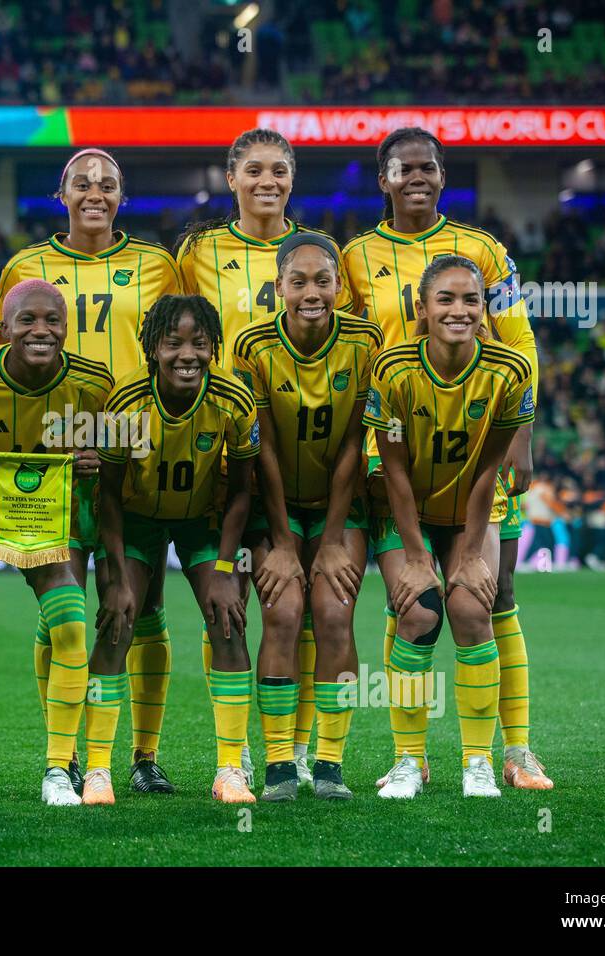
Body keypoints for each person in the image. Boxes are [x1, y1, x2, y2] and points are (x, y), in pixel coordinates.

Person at [339, 127, 551, 791]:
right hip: (395, 447)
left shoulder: (483, 250)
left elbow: (519, 339)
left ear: (442, 175)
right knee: (412, 600)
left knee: (493, 596)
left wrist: (519, 435)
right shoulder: (356, 256)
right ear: (384, 179)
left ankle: (513, 751)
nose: (418, 178)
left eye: (429, 167)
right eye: (405, 169)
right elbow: (351, 353)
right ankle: (413, 754)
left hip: (478, 441)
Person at [0, 148, 185, 794]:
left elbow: (181, 346)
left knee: (141, 610)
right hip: (51, 458)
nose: (95, 192)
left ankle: (143, 756)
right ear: (60, 195)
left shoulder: (158, 265)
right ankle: (64, 756)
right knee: (60, 613)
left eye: (108, 184)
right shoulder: (25, 266)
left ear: (122, 197)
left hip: (130, 451)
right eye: (82, 183)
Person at [176, 127, 341, 788]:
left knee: (293, 603)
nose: (267, 181)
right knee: (231, 604)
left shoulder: (323, 253)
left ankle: (294, 748)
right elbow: (179, 335)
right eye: (254, 170)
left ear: (292, 179)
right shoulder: (197, 252)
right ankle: (234, 752)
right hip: (219, 453)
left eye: (279, 170)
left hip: (299, 455)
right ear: (232, 177)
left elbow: (336, 343)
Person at [363, 255, 535, 799]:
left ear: (484, 310)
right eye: (446, 299)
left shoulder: (509, 371)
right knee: (415, 612)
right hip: (406, 504)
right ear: (422, 309)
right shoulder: (392, 370)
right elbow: (392, 470)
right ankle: (409, 761)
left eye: (471, 300)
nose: (459, 310)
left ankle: (478, 762)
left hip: (470, 506)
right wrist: (416, 555)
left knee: (470, 607)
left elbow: (489, 469)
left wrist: (467, 555)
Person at [0, 279, 113, 807]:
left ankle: (59, 768)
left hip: (49, 528)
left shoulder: (94, 382)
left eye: (52, 321)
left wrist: (99, 461)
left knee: (71, 627)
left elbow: (126, 452)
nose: (41, 331)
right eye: (27, 321)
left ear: (66, 327)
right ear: (5, 329)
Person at [91, 294, 259, 805]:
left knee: (227, 620)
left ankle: (230, 768)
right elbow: (108, 494)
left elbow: (243, 490)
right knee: (117, 622)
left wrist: (227, 568)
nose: (187, 354)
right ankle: (98, 769)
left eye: (200, 344)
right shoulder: (124, 402)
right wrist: (117, 576)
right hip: (138, 519)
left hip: (202, 522)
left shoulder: (234, 400)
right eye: (173, 343)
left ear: (214, 347)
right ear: (152, 349)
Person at [232, 233, 381, 801]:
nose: (311, 292)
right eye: (299, 282)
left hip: (340, 505)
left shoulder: (366, 343)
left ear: (340, 288)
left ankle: (329, 764)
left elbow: (353, 443)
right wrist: (282, 541)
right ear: (279, 288)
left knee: (335, 613)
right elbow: (261, 447)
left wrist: (337, 538)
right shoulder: (252, 347)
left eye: (324, 281)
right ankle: (276, 765)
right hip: (277, 505)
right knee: (284, 611)